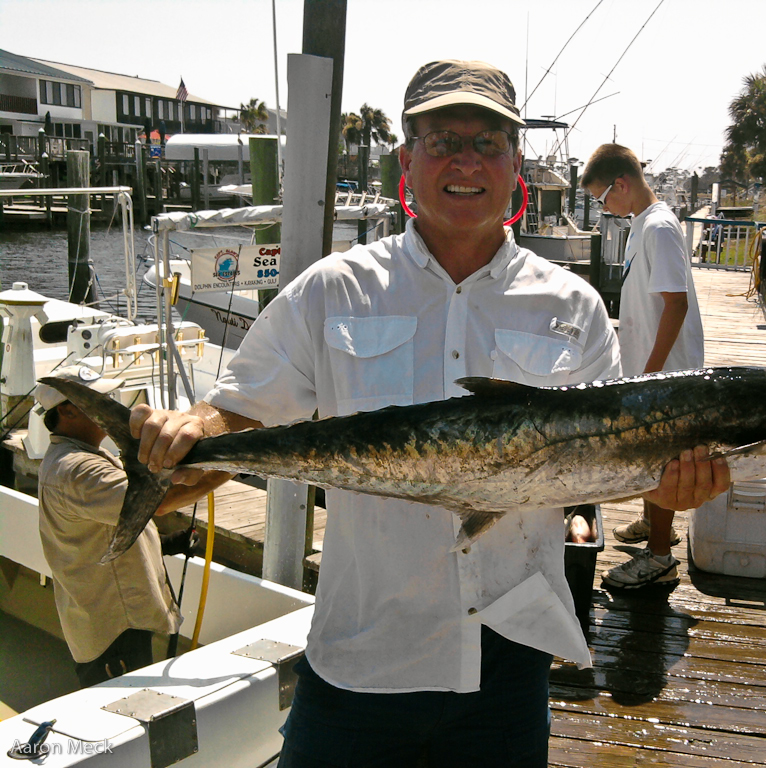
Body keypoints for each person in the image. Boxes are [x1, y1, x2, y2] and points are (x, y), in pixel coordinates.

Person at [129, 60, 729, 767]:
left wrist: (666, 485)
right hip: (358, 660)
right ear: (406, 160)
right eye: (443, 141)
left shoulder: (574, 306)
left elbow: (603, 464)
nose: (466, 161)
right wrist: (188, 437)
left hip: (508, 664)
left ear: (515, 164)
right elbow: (238, 412)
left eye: (488, 143)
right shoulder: (333, 290)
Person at [34, 365, 225, 688]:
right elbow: (156, 500)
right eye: (101, 400)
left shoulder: (80, 456)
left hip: (115, 624)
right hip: (114, 633)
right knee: (127, 712)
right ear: (66, 411)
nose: (113, 403)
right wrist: (229, 465)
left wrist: (169, 542)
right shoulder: (77, 469)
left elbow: (112, 530)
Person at [582, 143, 705, 590]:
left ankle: (659, 558)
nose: (604, 209)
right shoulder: (640, 225)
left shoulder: (659, 228)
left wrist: (652, 372)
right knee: (652, 456)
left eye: (602, 198)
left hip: (665, 372)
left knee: (664, 459)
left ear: (621, 184)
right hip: (647, 367)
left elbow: (676, 304)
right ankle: (656, 525)